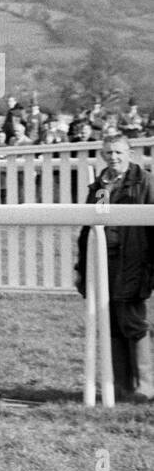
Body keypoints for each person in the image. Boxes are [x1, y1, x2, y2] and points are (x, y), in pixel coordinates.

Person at [75, 134, 154, 401]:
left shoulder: (145, 182)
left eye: (119, 152)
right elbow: (88, 227)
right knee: (110, 323)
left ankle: (145, 386)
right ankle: (121, 387)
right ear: (102, 155)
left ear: (130, 153)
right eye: (108, 153)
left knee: (132, 321)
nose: (114, 157)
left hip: (134, 260)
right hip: (102, 259)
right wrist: (81, 267)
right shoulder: (99, 185)